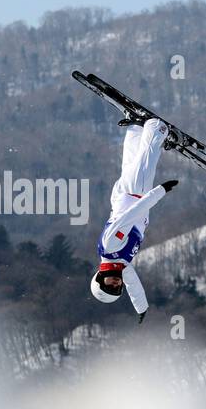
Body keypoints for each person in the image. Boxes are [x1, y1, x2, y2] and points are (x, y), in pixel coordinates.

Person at [89, 116, 179, 319]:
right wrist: (141, 308)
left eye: (110, 284)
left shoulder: (110, 247)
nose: (117, 282)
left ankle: (158, 127)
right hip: (128, 195)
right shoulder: (122, 265)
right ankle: (136, 127)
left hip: (135, 193)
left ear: (100, 278)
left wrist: (160, 192)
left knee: (148, 156)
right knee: (132, 160)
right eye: (116, 287)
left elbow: (131, 216)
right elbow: (134, 286)